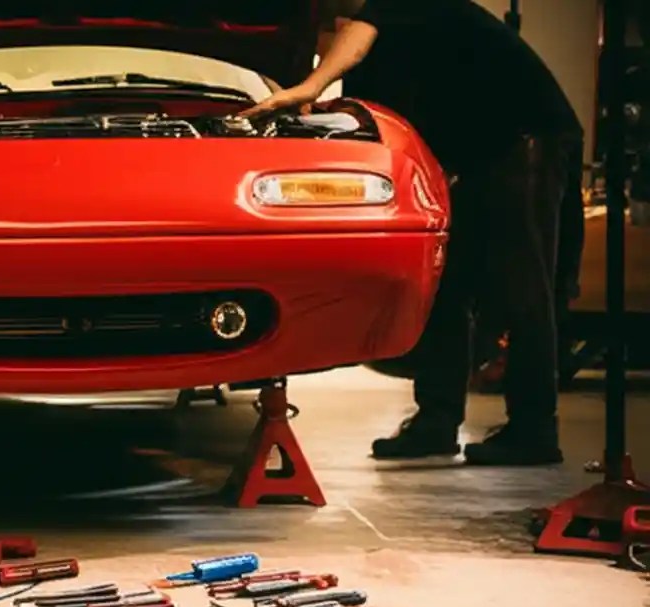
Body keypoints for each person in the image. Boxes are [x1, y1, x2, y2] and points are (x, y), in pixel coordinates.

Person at [243, 0, 584, 466]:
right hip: (479, 151)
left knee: (522, 284)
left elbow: (357, 38)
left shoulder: (397, 6)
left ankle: (534, 430)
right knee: (447, 282)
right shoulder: (375, 56)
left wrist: (311, 85)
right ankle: (436, 422)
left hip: (524, 136)